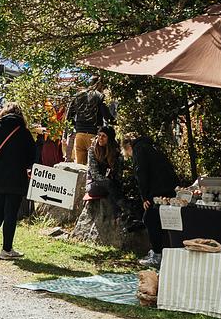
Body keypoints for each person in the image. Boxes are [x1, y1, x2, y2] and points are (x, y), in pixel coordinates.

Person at [0, 102, 38, 259]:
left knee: (0, 208)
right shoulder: (23, 132)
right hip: (17, 178)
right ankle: (6, 250)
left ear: (3, 112)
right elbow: (34, 157)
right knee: (10, 212)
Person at [122, 134, 179, 268]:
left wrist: (145, 197)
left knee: (150, 218)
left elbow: (141, 173)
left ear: (128, 146)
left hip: (158, 190)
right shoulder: (150, 146)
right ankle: (160, 252)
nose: (129, 156)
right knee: (159, 220)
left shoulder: (139, 150)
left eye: (128, 154)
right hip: (169, 187)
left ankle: (157, 255)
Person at [67, 78, 111, 164]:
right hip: (93, 134)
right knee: (94, 166)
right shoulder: (100, 96)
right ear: (100, 85)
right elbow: (107, 117)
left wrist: (76, 126)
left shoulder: (78, 95)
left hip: (79, 134)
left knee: (80, 166)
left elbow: (69, 116)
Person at [86, 126, 124, 219]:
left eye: (104, 136)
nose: (100, 138)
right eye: (99, 135)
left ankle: (118, 217)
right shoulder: (93, 150)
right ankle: (121, 212)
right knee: (110, 185)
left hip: (110, 184)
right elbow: (95, 174)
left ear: (109, 139)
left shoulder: (116, 152)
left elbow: (118, 174)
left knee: (115, 188)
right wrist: (109, 181)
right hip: (94, 184)